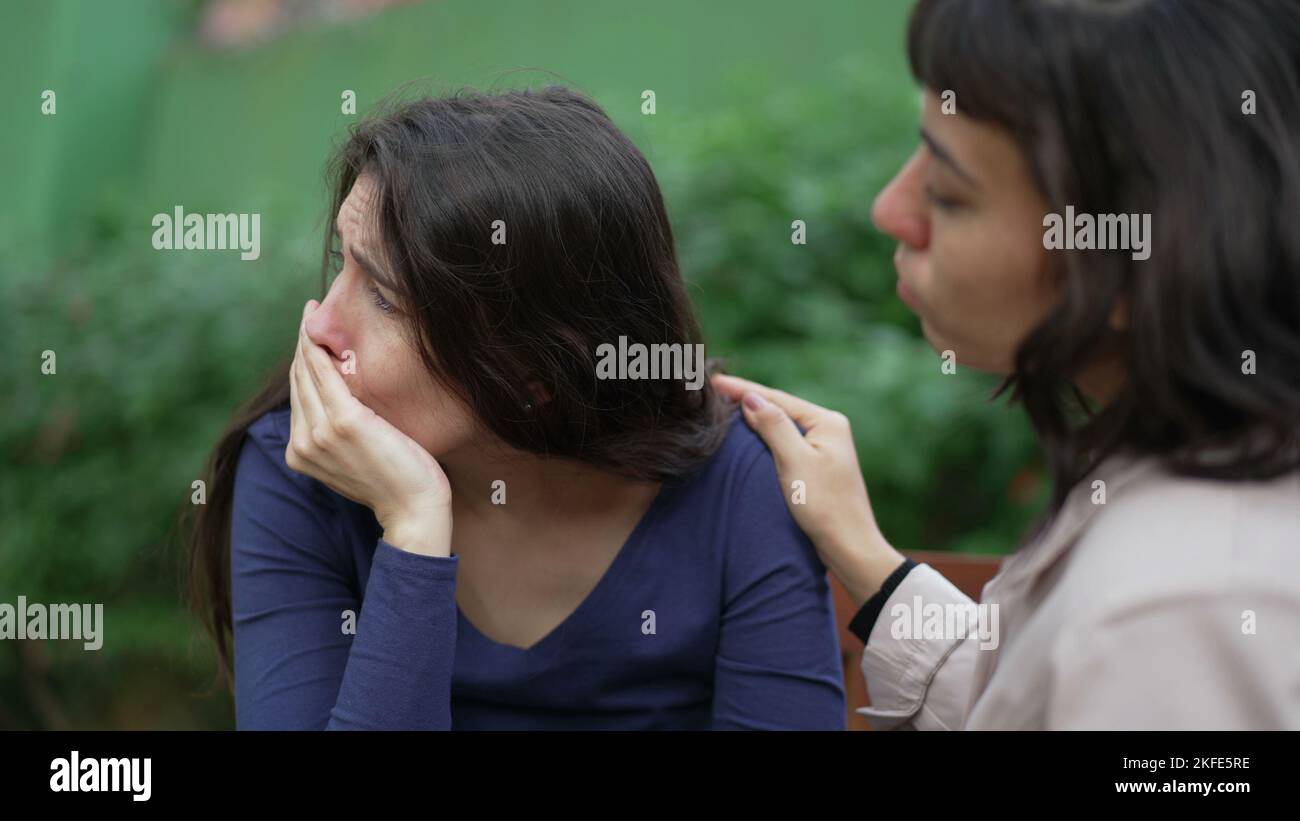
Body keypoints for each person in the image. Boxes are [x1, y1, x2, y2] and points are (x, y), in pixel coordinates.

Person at [714, 0, 1300, 729]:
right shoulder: (1196, 521)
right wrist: (865, 554)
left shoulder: (1172, 617)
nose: (891, 209)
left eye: (951, 193)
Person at [186, 87, 846, 730]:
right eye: (341, 261)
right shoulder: (301, 470)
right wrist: (414, 531)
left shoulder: (739, 488)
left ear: (535, 370)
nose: (320, 322)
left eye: (384, 297)